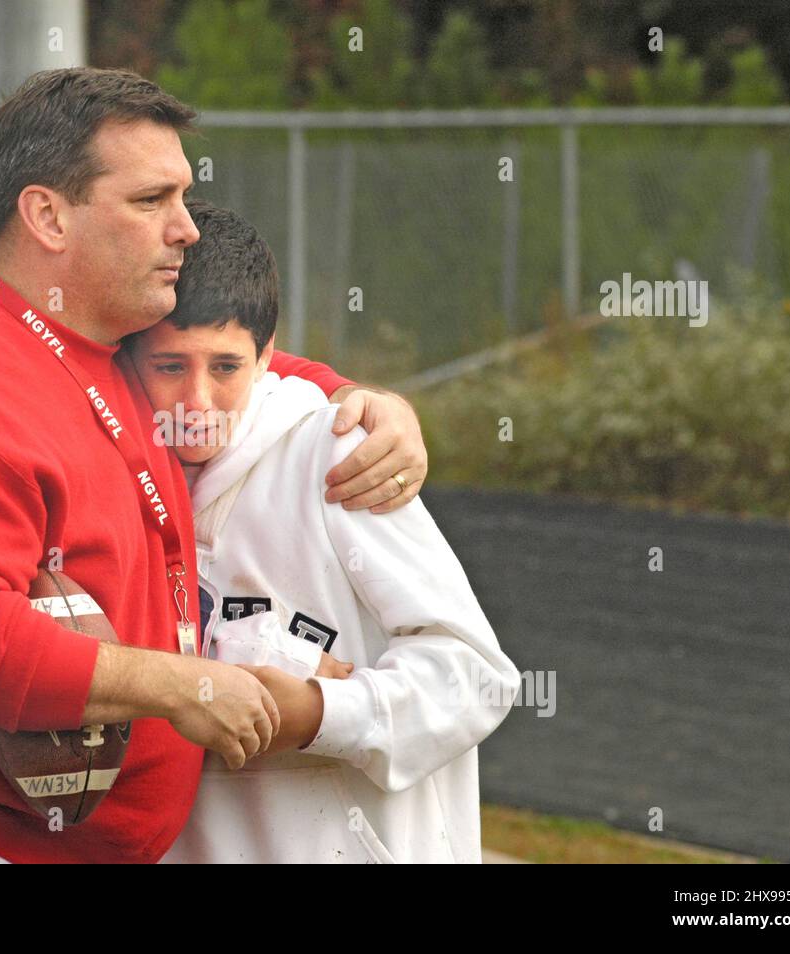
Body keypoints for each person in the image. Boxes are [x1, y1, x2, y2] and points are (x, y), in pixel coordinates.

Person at [0, 67, 431, 864]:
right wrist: (179, 685)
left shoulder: (102, 342)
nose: (186, 228)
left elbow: (232, 364)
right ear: (47, 215)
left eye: (183, 198)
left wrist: (359, 397)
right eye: (152, 201)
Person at [123, 200, 520, 863]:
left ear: (269, 357)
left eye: (224, 367)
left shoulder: (335, 457)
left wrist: (317, 711)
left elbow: (474, 677)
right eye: (169, 366)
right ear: (128, 356)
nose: (196, 403)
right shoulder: (114, 477)